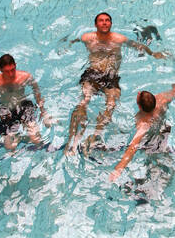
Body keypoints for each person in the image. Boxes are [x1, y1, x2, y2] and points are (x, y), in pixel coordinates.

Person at [64, 12, 169, 153]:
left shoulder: (119, 39)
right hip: (92, 74)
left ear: (111, 23)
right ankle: (73, 139)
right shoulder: (87, 38)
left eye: (107, 20)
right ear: (96, 24)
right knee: (84, 100)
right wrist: (66, 45)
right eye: (101, 21)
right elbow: (73, 40)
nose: (105, 23)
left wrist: (153, 54)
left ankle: (97, 134)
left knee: (111, 104)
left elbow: (138, 46)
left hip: (111, 77)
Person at [109, 84, 175, 183]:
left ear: (139, 106)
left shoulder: (143, 125)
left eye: (139, 95)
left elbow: (132, 148)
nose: (138, 93)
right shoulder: (161, 100)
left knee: (153, 163)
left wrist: (118, 169)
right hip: (163, 131)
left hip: (150, 142)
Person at [0, 53, 51, 150]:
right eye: (6, 71)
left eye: (13, 70)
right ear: (0, 70)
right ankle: (17, 137)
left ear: (15, 65)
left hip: (23, 105)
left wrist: (44, 113)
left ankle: (22, 136)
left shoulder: (25, 77)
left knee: (37, 140)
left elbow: (37, 93)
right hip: (5, 109)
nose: (10, 74)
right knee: (9, 147)